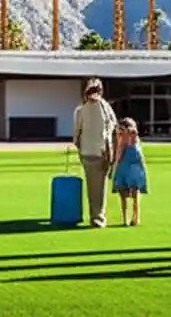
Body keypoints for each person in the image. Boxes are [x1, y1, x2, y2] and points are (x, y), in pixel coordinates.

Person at [72, 78, 118, 228]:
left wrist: (79, 147)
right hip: (101, 152)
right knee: (100, 187)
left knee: (92, 186)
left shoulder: (80, 110)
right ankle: (99, 217)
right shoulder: (105, 107)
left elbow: (76, 135)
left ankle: (95, 216)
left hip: (87, 152)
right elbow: (111, 128)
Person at [112, 117, 148, 226]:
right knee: (135, 194)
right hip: (135, 168)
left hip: (124, 167)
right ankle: (136, 217)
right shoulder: (135, 139)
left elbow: (119, 154)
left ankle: (125, 219)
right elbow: (140, 156)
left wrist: (114, 167)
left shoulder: (122, 139)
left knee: (123, 195)